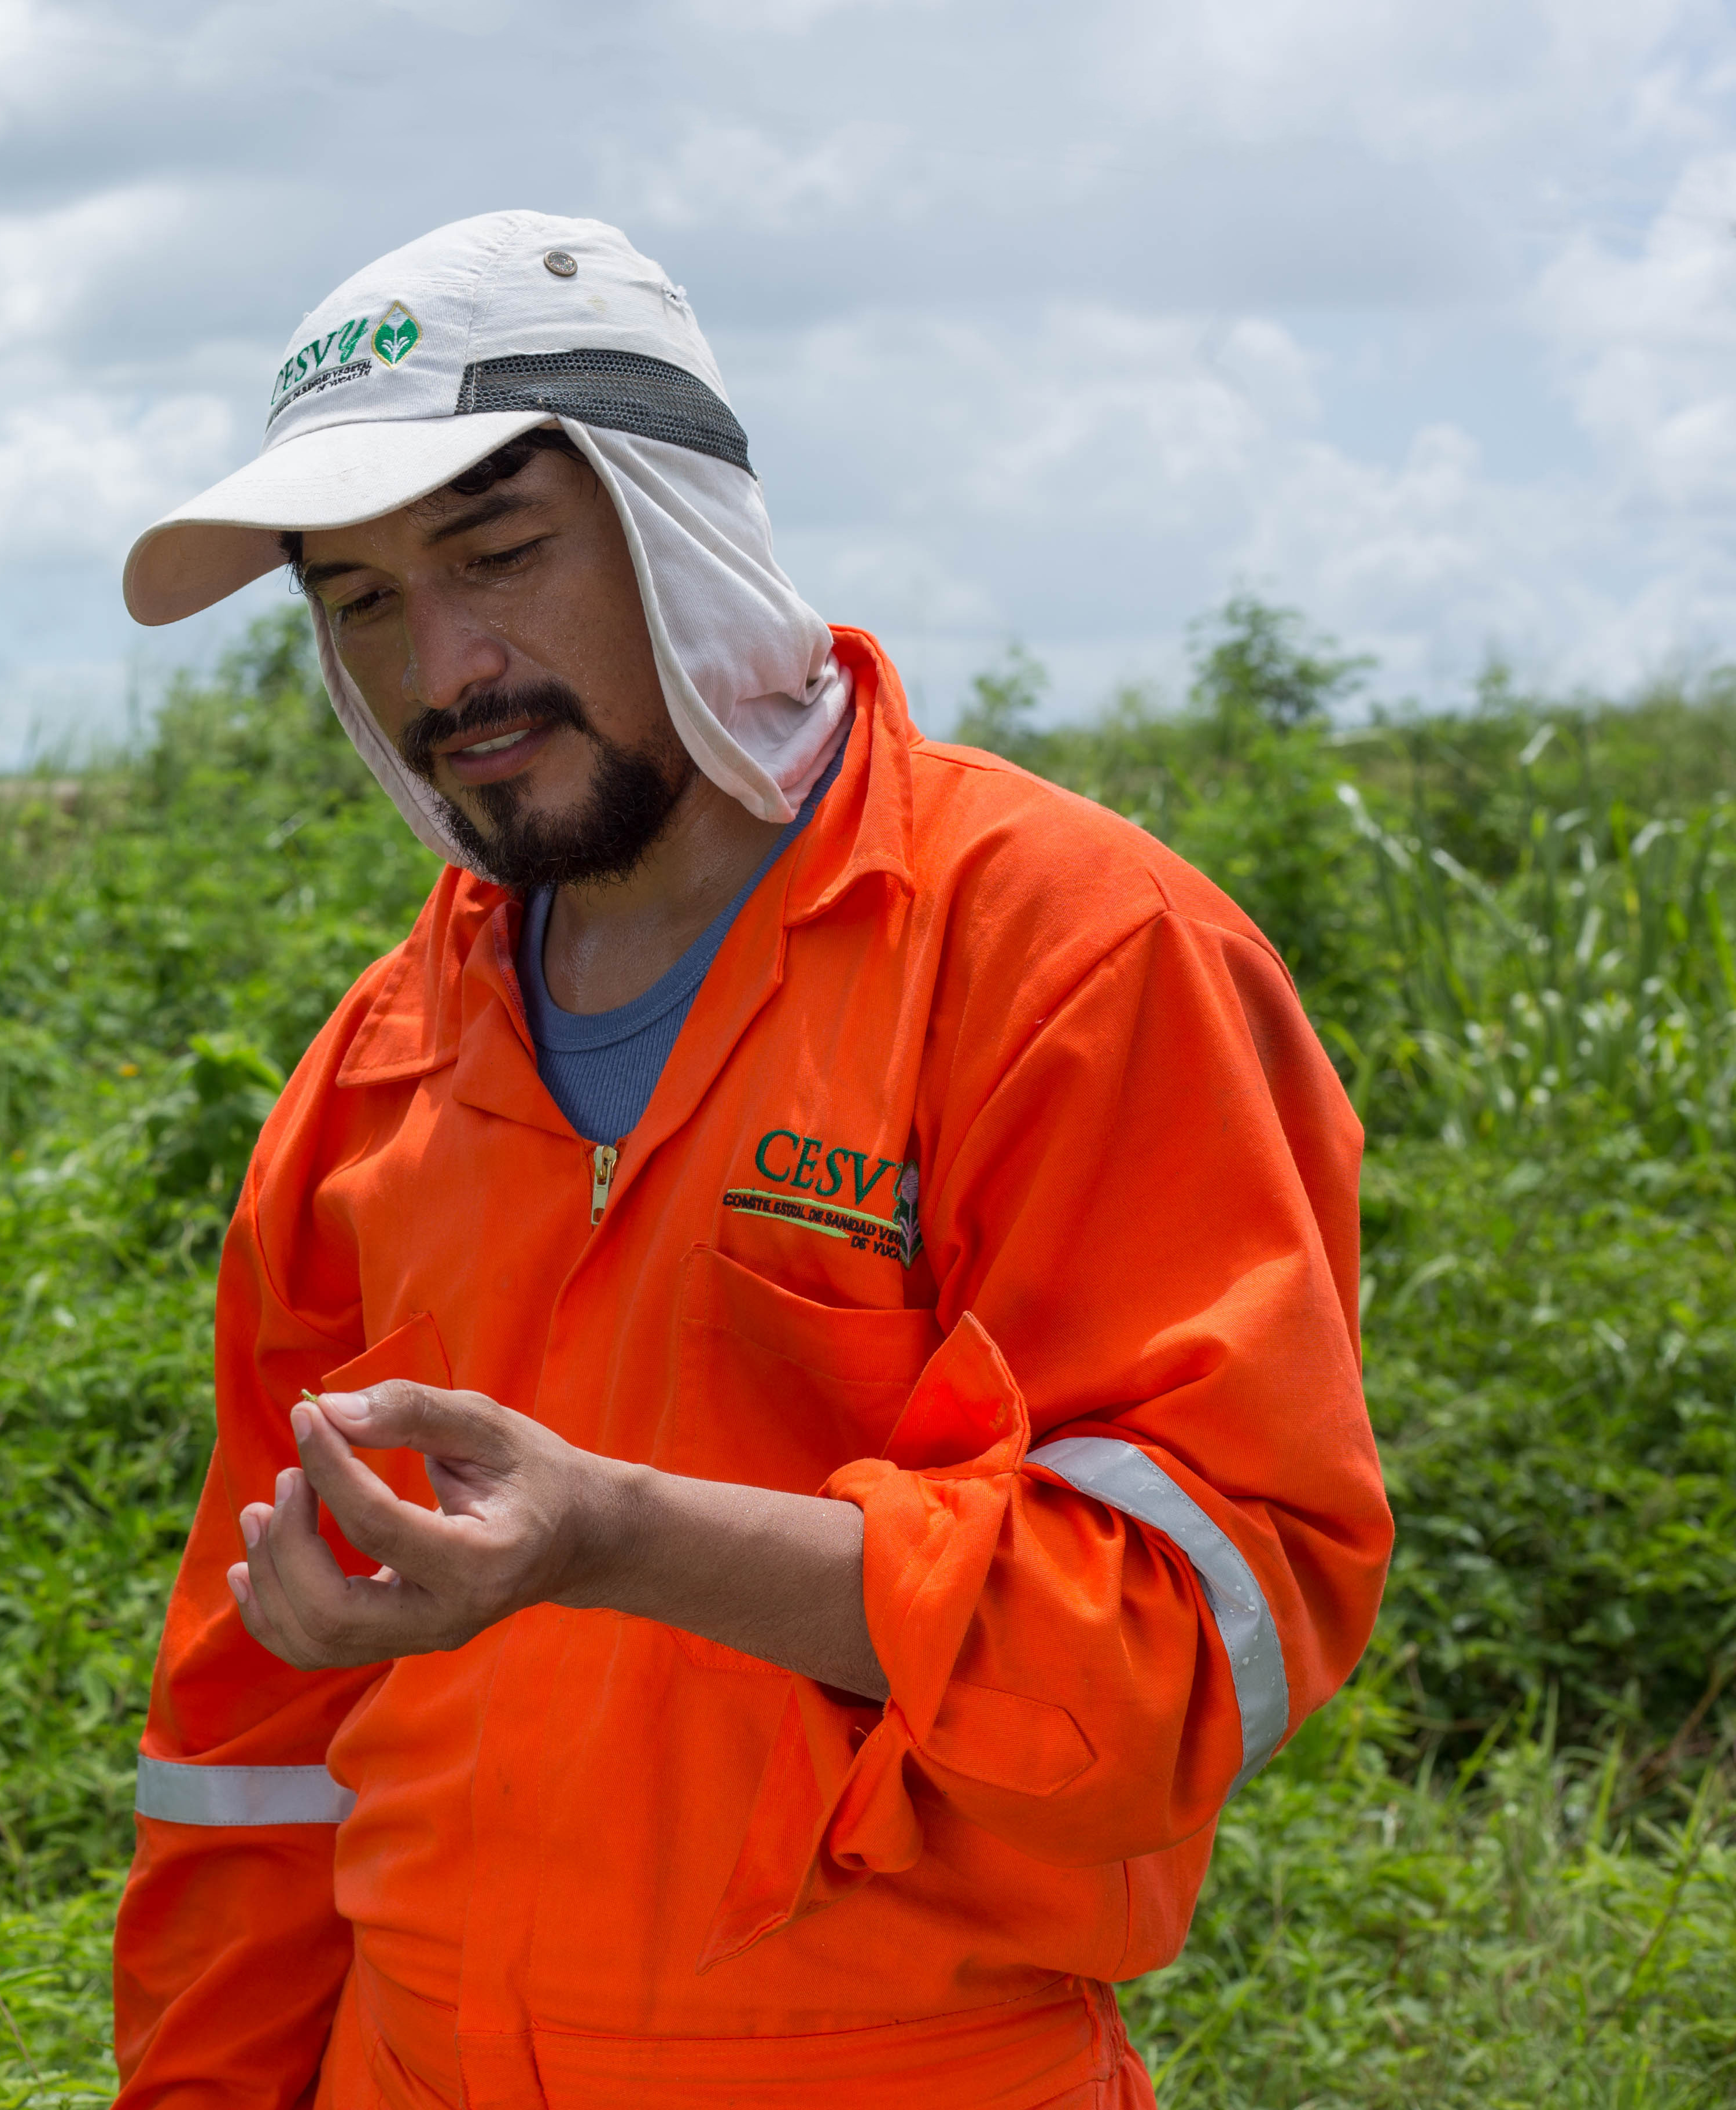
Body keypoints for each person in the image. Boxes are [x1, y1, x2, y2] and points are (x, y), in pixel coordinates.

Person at [109, 210, 1393, 2110]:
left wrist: (621, 1539)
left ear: (678, 521)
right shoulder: (380, 1064)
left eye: (499, 553)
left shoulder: (1069, 958)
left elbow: (1183, 1654)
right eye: (359, 599)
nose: (444, 667)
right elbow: (251, 1723)